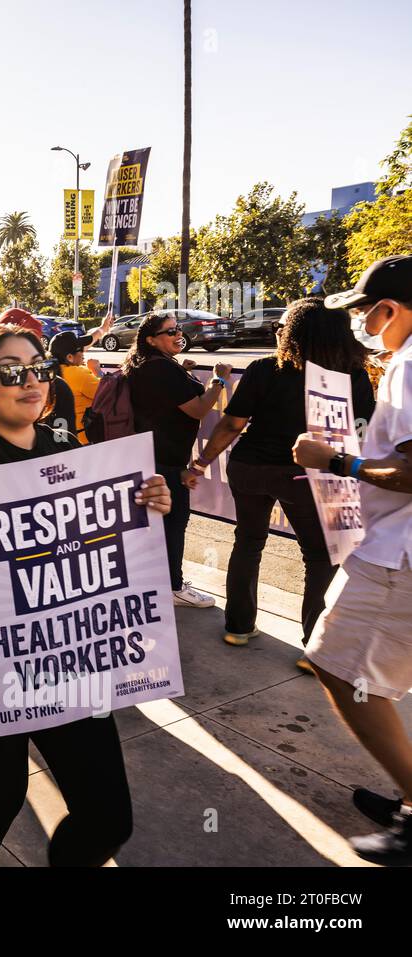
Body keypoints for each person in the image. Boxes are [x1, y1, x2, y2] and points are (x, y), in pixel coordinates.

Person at [0, 165, 172, 865]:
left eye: (37, 369)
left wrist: (145, 503)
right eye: (11, 370)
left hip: (62, 650)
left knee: (108, 815)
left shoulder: (64, 441)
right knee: (1, 793)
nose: (30, 379)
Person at [290, 255, 412, 864]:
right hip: (395, 550)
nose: (362, 323)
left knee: (342, 668)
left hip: (399, 556)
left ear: (389, 310)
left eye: (366, 311)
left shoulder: (411, 363)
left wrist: (338, 462)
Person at [191, 298, 374, 658]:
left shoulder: (263, 369)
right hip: (309, 476)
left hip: (250, 468)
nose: (277, 332)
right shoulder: (351, 375)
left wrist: (200, 463)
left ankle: (238, 627)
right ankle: (316, 646)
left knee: (248, 542)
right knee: (320, 556)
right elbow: (361, 431)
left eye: (282, 327)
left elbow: (232, 424)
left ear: (293, 333)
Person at [123, 312, 231, 608]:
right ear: (151, 340)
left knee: (156, 525)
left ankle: (154, 582)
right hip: (165, 461)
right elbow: (198, 409)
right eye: (170, 331)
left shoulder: (147, 365)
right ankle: (172, 586)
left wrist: (183, 369)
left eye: (178, 329)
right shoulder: (160, 369)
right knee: (174, 523)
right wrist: (220, 379)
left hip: (150, 456)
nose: (177, 334)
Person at [50, 330, 107, 438]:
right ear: (69, 357)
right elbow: (107, 394)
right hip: (82, 440)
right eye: (80, 349)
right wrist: (97, 371)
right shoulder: (79, 374)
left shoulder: (48, 373)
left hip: (58, 439)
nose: (83, 352)